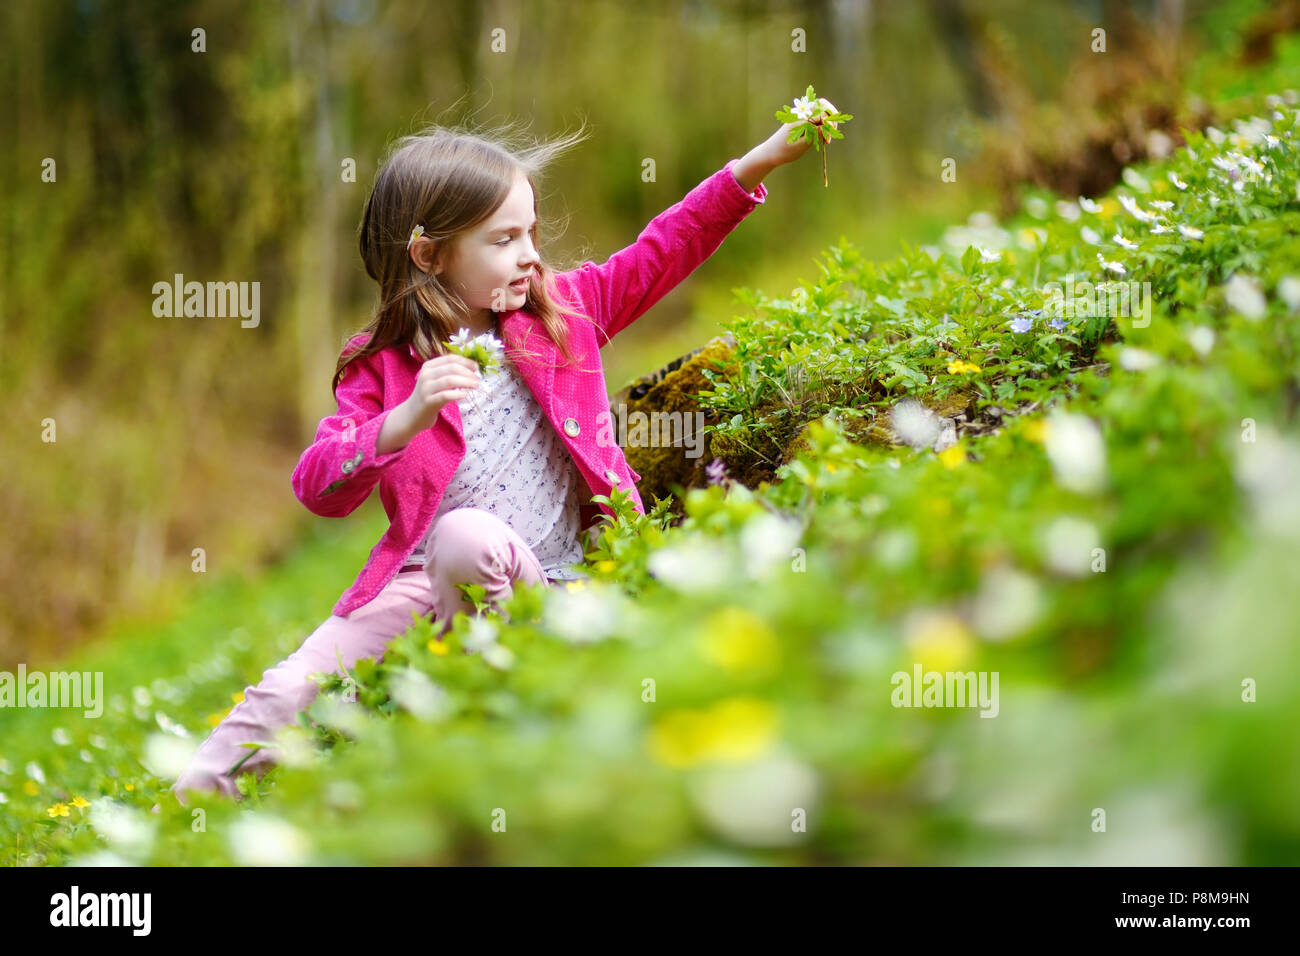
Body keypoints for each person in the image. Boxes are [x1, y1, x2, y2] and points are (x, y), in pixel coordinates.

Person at [169, 108, 825, 806]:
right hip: (421, 585)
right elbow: (318, 485)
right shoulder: (382, 365)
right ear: (429, 255)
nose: (530, 254)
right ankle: (181, 816)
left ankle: (488, 716)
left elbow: (660, 250)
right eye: (505, 239)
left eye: (531, 232)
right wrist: (403, 418)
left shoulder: (562, 313)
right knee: (290, 686)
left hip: (560, 582)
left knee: (468, 537)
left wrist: (755, 165)